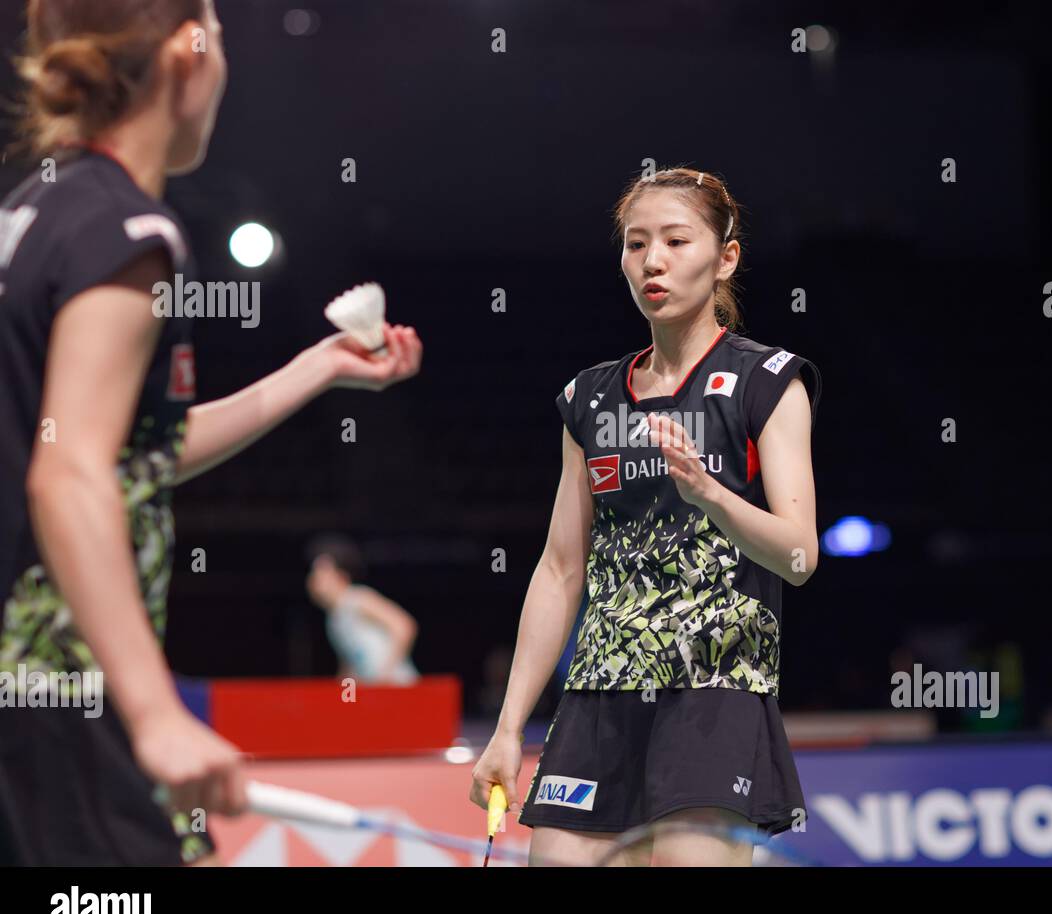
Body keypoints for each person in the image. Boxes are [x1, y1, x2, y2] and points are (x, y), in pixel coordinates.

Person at [0, 0, 422, 865]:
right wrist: (157, 716)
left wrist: (321, 366)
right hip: (65, 681)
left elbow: (131, 457)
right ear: (188, 54)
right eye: (222, 34)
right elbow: (68, 472)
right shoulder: (131, 234)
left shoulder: (37, 214)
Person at [470, 167, 822, 866]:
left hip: (713, 693)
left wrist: (712, 496)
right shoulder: (590, 398)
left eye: (675, 240)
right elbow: (560, 568)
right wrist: (508, 727)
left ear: (725, 257)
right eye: (636, 244)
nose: (652, 261)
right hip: (599, 693)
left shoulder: (766, 383)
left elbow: (799, 555)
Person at [305, 535, 419, 685]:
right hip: (370, 692)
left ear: (342, 576)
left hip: (396, 686)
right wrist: (341, 697)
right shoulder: (333, 620)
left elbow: (404, 626)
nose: (316, 579)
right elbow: (349, 666)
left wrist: (386, 673)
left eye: (323, 572)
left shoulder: (358, 598)